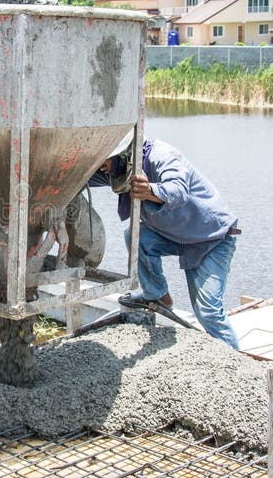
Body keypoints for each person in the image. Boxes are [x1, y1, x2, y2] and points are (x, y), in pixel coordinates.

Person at [92, 135, 239, 350]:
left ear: (119, 152)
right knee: (134, 235)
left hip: (211, 239)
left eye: (102, 160)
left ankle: (236, 366)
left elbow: (178, 189)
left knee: (208, 311)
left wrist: (151, 191)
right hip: (174, 235)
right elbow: (82, 176)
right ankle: (157, 295)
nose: (101, 167)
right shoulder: (117, 168)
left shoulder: (162, 156)